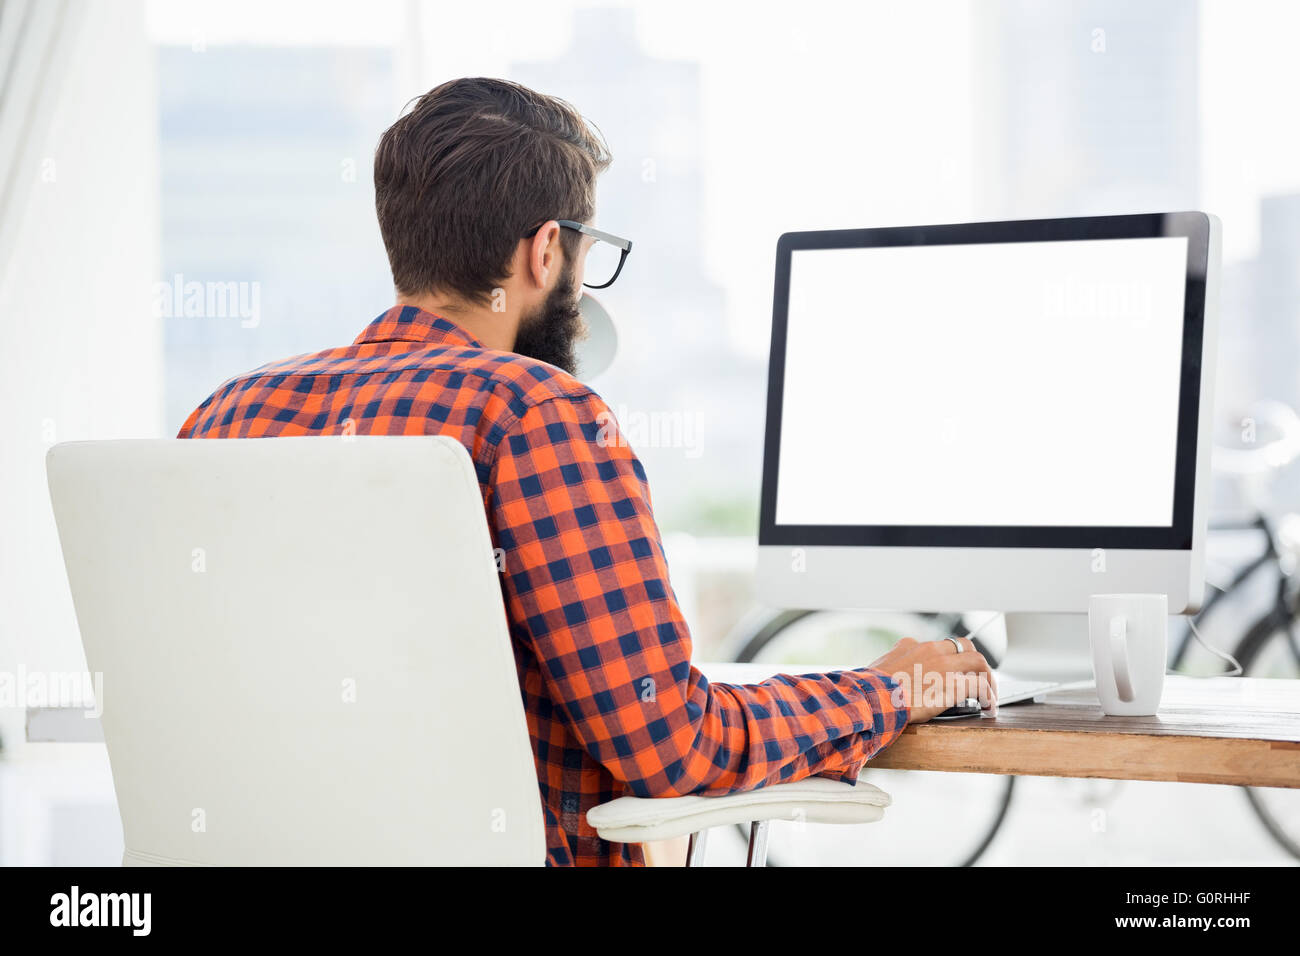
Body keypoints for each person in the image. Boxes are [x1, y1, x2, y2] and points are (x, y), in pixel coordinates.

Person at [178, 76, 995, 866]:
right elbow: (673, 745)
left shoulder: (223, 419)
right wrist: (891, 688)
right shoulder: (537, 415)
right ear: (545, 252)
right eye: (584, 252)